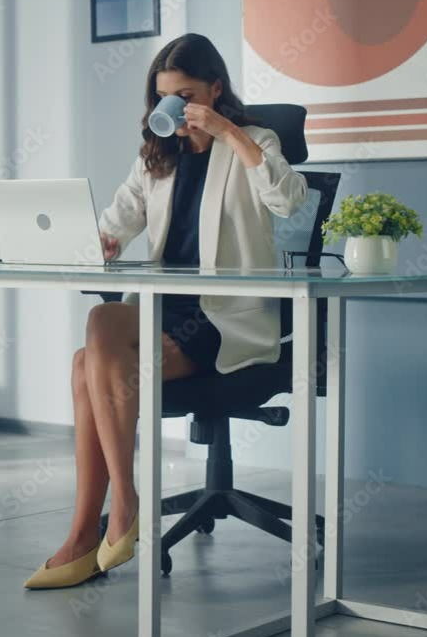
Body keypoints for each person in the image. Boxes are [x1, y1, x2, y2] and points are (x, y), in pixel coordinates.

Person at [24, 33, 307, 589]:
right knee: (96, 342)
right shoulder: (157, 155)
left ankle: (97, 527)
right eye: (161, 98)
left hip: (224, 316)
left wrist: (225, 130)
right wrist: (98, 242)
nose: (171, 109)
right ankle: (113, 517)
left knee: (89, 359)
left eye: (184, 95)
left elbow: (288, 198)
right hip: (164, 308)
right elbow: (116, 221)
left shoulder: (253, 139)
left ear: (214, 90)